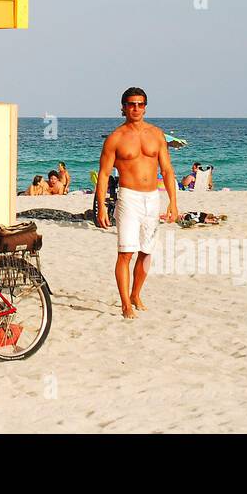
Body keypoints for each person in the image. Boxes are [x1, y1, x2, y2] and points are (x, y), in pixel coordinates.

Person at [94, 86, 179, 320]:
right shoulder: (115, 138)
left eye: (140, 104)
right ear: (123, 107)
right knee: (126, 253)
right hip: (128, 198)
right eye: (131, 104)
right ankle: (125, 305)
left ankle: (135, 294)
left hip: (152, 198)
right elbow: (103, 174)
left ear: (145, 106)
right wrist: (101, 206)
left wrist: (173, 202)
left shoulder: (156, 134)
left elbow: (168, 170)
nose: (136, 108)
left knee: (146, 251)